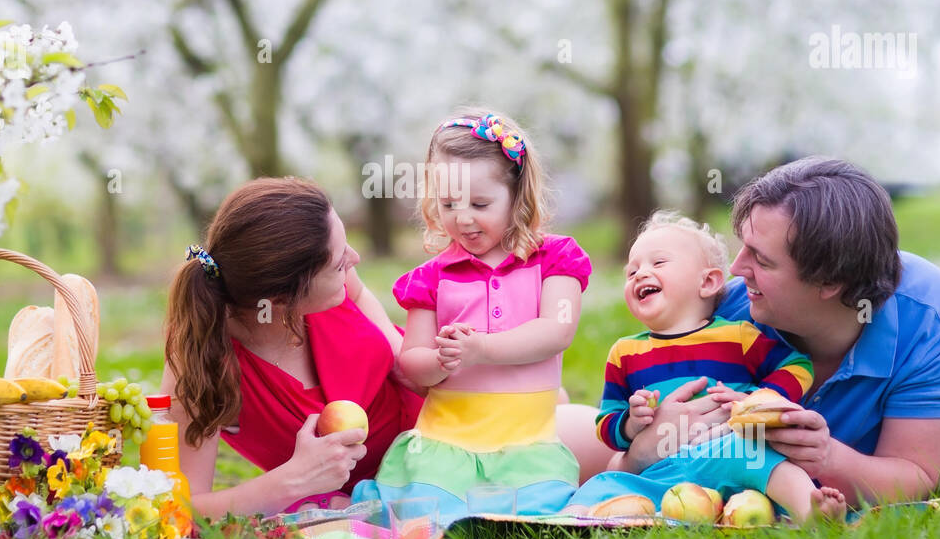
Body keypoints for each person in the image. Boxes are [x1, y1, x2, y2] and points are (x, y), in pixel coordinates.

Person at [163, 175, 610, 520]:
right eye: (340, 264)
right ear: (282, 300)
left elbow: (360, 298)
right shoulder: (202, 362)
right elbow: (184, 508)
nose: (354, 262)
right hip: (399, 486)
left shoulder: (331, 281)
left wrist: (401, 354)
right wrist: (290, 482)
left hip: (453, 433)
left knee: (602, 437)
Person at [612, 156, 940, 509]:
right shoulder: (729, 312)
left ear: (830, 280)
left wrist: (824, 456)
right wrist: (643, 448)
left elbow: (915, 476)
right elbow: (645, 455)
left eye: (761, 258)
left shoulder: (929, 318)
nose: (737, 269)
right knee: (569, 428)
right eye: (743, 247)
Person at [350, 111, 594, 523]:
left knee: (537, 512)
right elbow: (411, 361)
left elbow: (557, 330)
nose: (462, 218)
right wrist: (439, 361)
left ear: (517, 196)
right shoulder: (431, 278)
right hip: (447, 441)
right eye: (448, 204)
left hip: (525, 444)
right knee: (422, 509)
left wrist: (481, 348)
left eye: (480, 204)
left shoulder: (553, 259)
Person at [572, 210, 847, 522]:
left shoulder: (738, 336)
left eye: (658, 263)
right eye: (631, 271)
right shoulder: (625, 352)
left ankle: (812, 512)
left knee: (761, 458)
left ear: (708, 282)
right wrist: (631, 424)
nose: (639, 274)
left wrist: (757, 401)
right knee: (604, 483)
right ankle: (569, 518)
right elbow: (606, 422)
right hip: (661, 466)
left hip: (729, 451)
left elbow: (797, 366)